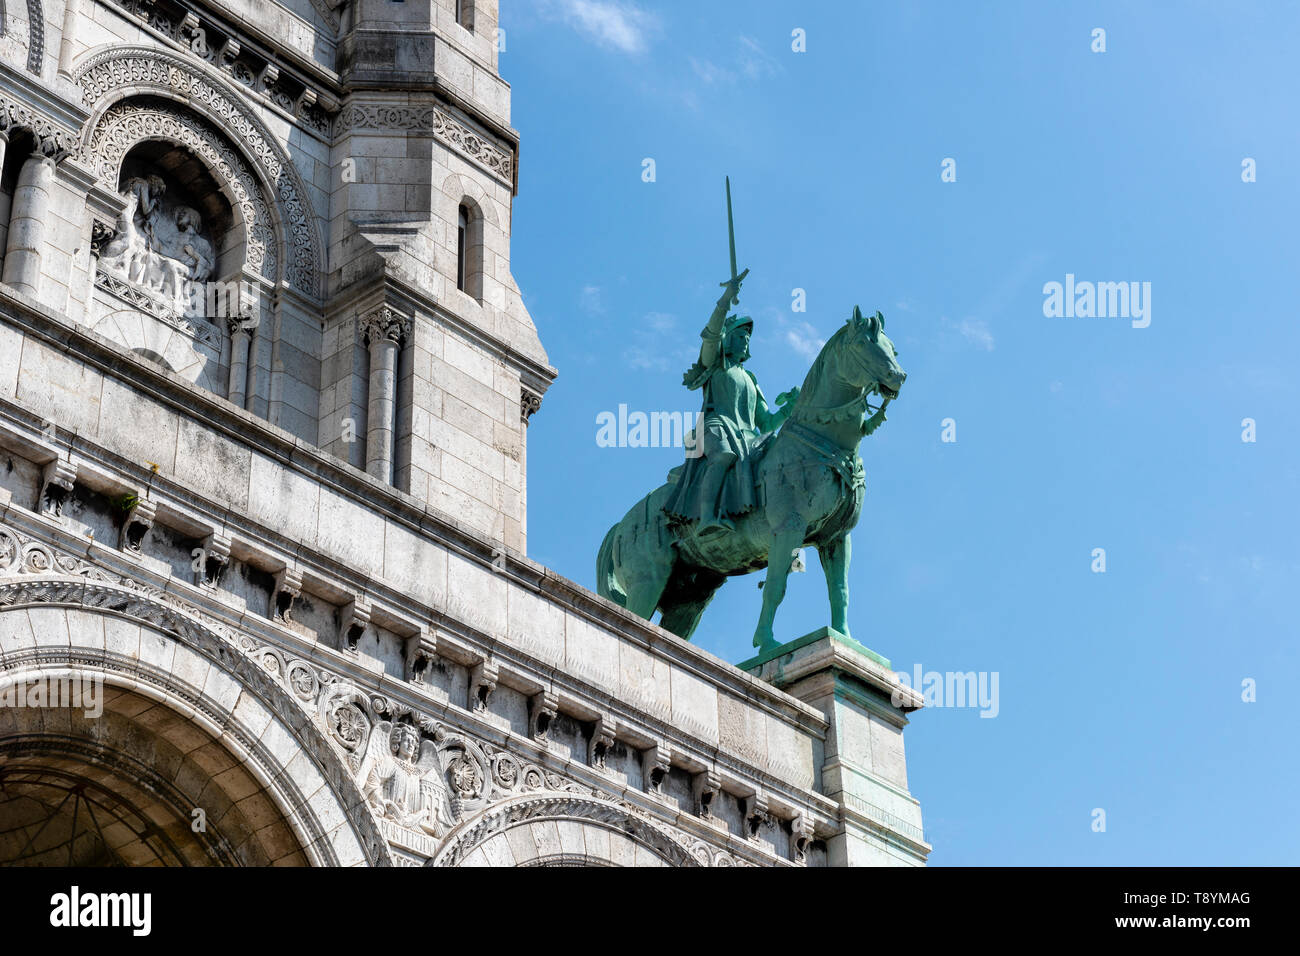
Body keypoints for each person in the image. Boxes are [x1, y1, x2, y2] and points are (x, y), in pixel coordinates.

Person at [663, 269, 797, 536]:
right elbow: (711, 335)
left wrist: (791, 406)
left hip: (746, 436)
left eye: (748, 336)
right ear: (728, 338)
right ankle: (707, 519)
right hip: (716, 426)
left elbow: (767, 422)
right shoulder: (716, 364)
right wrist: (725, 299)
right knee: (724, 454)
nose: (746, 339)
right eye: (740, 334)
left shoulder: (750, 378)